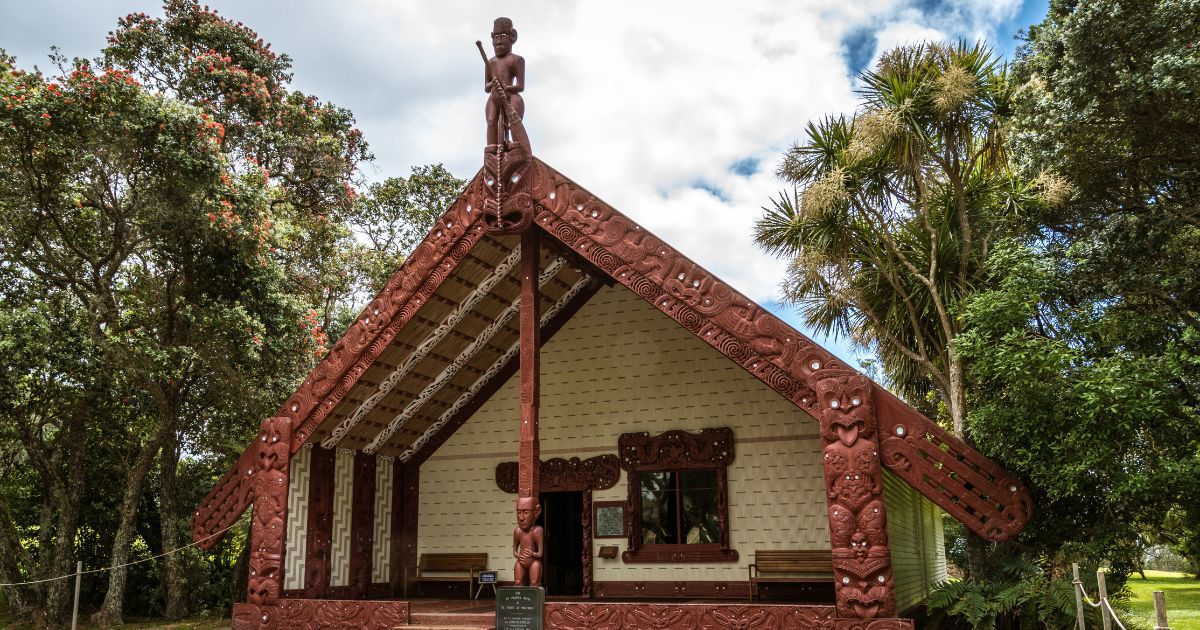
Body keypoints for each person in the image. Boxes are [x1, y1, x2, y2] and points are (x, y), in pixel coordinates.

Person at [485, 17, 525, 146]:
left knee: (514, 120)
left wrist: (507, 88)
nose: (498, 41)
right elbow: (486, 87)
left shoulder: (516, 60)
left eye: (502, 36)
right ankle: (492, 147)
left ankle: (516, 144)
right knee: (491, 121)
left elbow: (520, 86)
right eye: (495, 37)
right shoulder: (490, 62)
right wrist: (492, 84)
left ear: (512, 36)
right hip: (494, 96)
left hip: (510, 96)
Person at [512, 496, 544, 586]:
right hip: (521, 562)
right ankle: (518, 599)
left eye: (526, 512)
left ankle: (534, 599)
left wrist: (532, 554)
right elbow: (514, 551)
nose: (521, 518)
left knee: (534, 583)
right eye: (518, 512)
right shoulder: (517, 531)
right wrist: (518, 556)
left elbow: (540, 554)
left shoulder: (537, 531)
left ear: (537, 512)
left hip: (533, 562)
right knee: (517, 583)